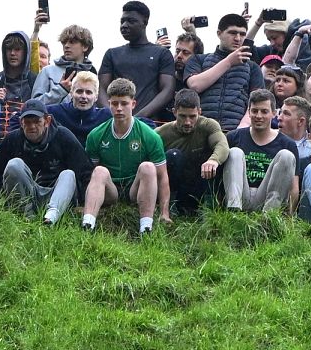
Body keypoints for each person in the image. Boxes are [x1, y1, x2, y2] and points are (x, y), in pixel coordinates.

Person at [0, 99, 91, 225]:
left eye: (37, 121)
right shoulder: (12, 140)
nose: (32, 127)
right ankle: (26, 217)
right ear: (21, 123)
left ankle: (51, 218)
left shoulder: (63, 136)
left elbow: (85, 171)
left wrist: (85, 203)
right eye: (27, 122)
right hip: (27, 195)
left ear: (47, 121)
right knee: (14, 165)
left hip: (58, 194)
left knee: (68, 174)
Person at [81, 78, 166, 234]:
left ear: (133, 104)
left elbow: (162, 176)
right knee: (99, 171)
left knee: (148, 167)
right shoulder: (96, 134)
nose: (119, 108)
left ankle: (146, 227)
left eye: (124, 103)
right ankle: (88, 224)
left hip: (135, 189)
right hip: (110, 190)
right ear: (109, 104)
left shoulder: (149, 135)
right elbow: (89, 175)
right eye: (114, 104)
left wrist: (165, 213)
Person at [154, 89, 229, 219]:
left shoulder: (208, 125)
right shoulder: (160, 133)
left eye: (192, 116)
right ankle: (169, 207)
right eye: (183, 116)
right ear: (174, 112)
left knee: (216, 157)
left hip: (200, 182)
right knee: (173, 155)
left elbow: (222, 145)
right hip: (175, 185)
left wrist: (213, 160)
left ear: (199, 112)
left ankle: (209, 209)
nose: (188, 122)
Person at [183, 14, 264, 131]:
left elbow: (257, 102)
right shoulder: (199, 59)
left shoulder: (252, 67)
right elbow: (195, 85)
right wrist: (229, 61)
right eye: (232, 33)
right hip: (200, 130)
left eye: (242, 34)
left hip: (235, 130)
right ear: (219, 33)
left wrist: (241, 130)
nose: (238, 38)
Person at [98, 1, 175, 122]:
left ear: (144, 22)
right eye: (122, 21)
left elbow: (167, 90)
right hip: (115, 123)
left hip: (148, 124)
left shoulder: (162, 54)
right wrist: (113, 115)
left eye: (131, 21)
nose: (124, 25)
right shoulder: (111, 54)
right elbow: (101, 89)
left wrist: (137, 118)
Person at [223, 89, 297, 212]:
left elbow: (294, 186)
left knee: (286, 155)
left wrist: (290, 217)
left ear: (274, 113)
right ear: (249, 112)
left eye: (264, 111)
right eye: (255, 111)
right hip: (241, 195)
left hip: (267, 198)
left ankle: (268, 218)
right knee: (234, 152)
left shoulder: (287, 144)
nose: (258, 116)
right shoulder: (233, 137)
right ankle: (233, 212)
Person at [31, 24, 96, 105]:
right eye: (64, 42)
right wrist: (60, 90)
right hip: (53, 117)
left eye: (72, 42)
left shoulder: (92, 74)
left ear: (85, 47)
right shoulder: (48, 71)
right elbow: (33, 105)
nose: (66, 46)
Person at [47, 70, 111, 144]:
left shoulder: (106, 117)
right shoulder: (54, 113)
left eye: (88, 92)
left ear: (96, 97)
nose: (84, 96)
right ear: (71, 93)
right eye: (79, 91)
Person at [0, 31, 36, 105]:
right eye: (9, 49)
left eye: (17, 49)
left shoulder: (35, 82)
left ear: (25, 52)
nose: (12, 53)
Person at [279, 95, 311, 160]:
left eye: (286, 114)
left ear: (300, 121)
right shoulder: (270, 140)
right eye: (280, 112)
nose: (279, 118)